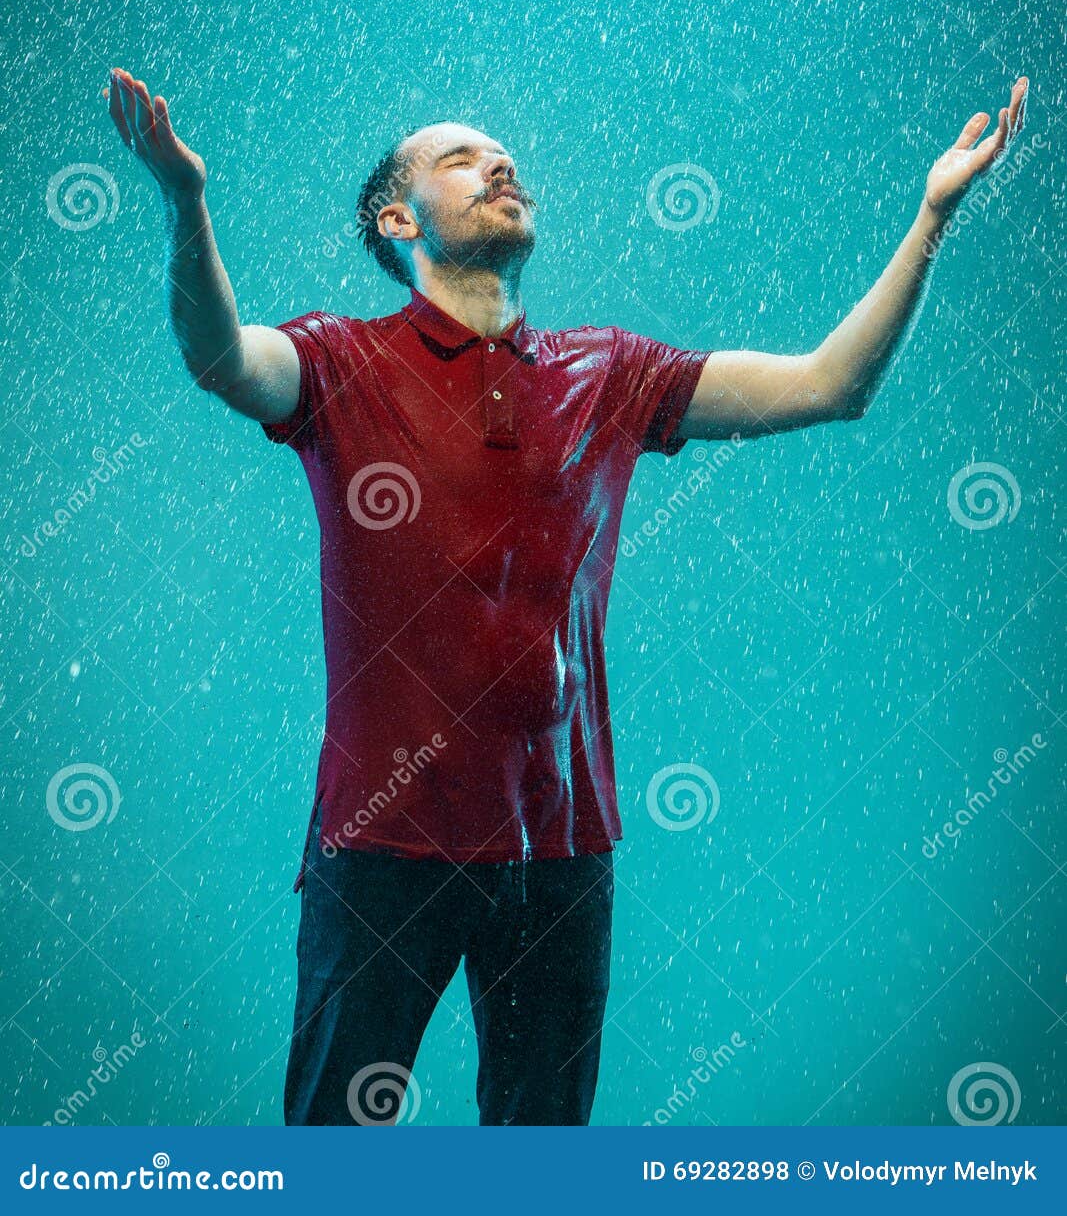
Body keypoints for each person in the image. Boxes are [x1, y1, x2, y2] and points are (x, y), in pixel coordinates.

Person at [104, 67, 1029, 1126]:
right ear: (395, 218)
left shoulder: (610, 370)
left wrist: (931, 216)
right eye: (458, 156)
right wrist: (184, 200)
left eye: (502, 154)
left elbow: (831, 384)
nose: (498, 163)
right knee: (328, 1156)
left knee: (541, 1171)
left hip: (561, 853)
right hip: (382, 846)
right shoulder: (340, 359)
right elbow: (221, 358)